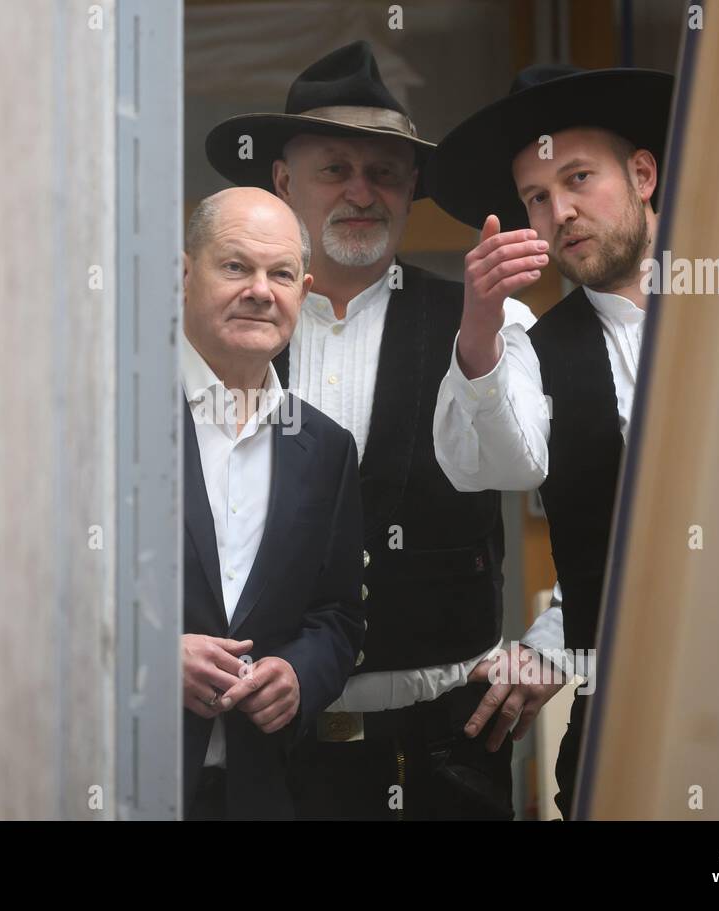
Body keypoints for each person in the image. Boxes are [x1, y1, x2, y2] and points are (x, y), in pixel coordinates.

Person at [205, 41, 557, 820]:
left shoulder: (493, 322)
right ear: (283, 182)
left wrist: (554, 637)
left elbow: (570, 485)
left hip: (444, 751)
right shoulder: (224, 336)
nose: (361, 192)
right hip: (264, 754)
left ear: (410, 191)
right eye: (335, 169)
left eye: (385, 173)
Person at [426, 63, 675, 818]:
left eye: (578, 178)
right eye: (537, 197)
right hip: (629, 731)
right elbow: (496, 465)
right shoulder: (534, 349)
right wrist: (478, 324)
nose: (559, 210)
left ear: (641, 173)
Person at [180, 186, 365, 820]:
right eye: (235, 267)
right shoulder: (104, 415)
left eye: (281, 274)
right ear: (183, 274)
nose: (261, 290)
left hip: (264, 794)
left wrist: (299, 673)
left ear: (303, 292)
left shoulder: (326, 448)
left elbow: (338, 614)